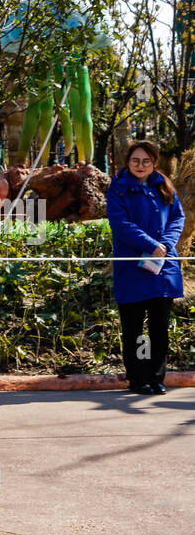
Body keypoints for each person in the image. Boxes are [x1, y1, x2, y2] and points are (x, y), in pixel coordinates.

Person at [106, 139, 184, 395]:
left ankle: (156, 376)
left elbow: (177, 217)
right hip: (133, 269)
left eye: (146, 161)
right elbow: (121, 224)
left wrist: (165, 244)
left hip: (162, 267)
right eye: (135, 161)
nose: (140, 166)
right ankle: (138, 379)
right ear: (127, 162)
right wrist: (150, 245)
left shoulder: (163, 184)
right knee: (136, 330)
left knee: (159, 329)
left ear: (154, 162)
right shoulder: (119, 189)